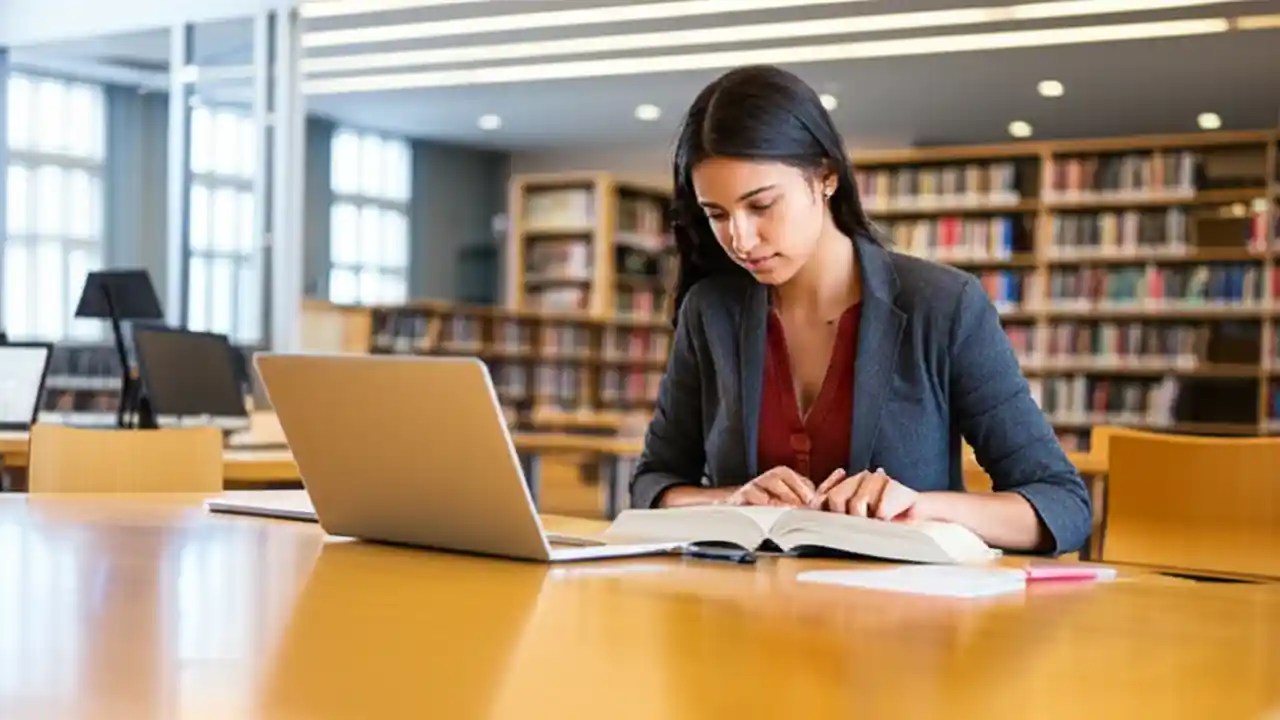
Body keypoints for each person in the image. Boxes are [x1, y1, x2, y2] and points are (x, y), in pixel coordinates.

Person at [630, 65, 1091, 554]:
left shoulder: (943, 305)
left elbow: (1061, 505)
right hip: (745, 612)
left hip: (898, 619)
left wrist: (923, 507)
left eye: (762, 205)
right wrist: (726, 504)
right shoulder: (711, 312)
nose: (741, 240)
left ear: (826, 178)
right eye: (717, 215)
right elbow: (652, 485)